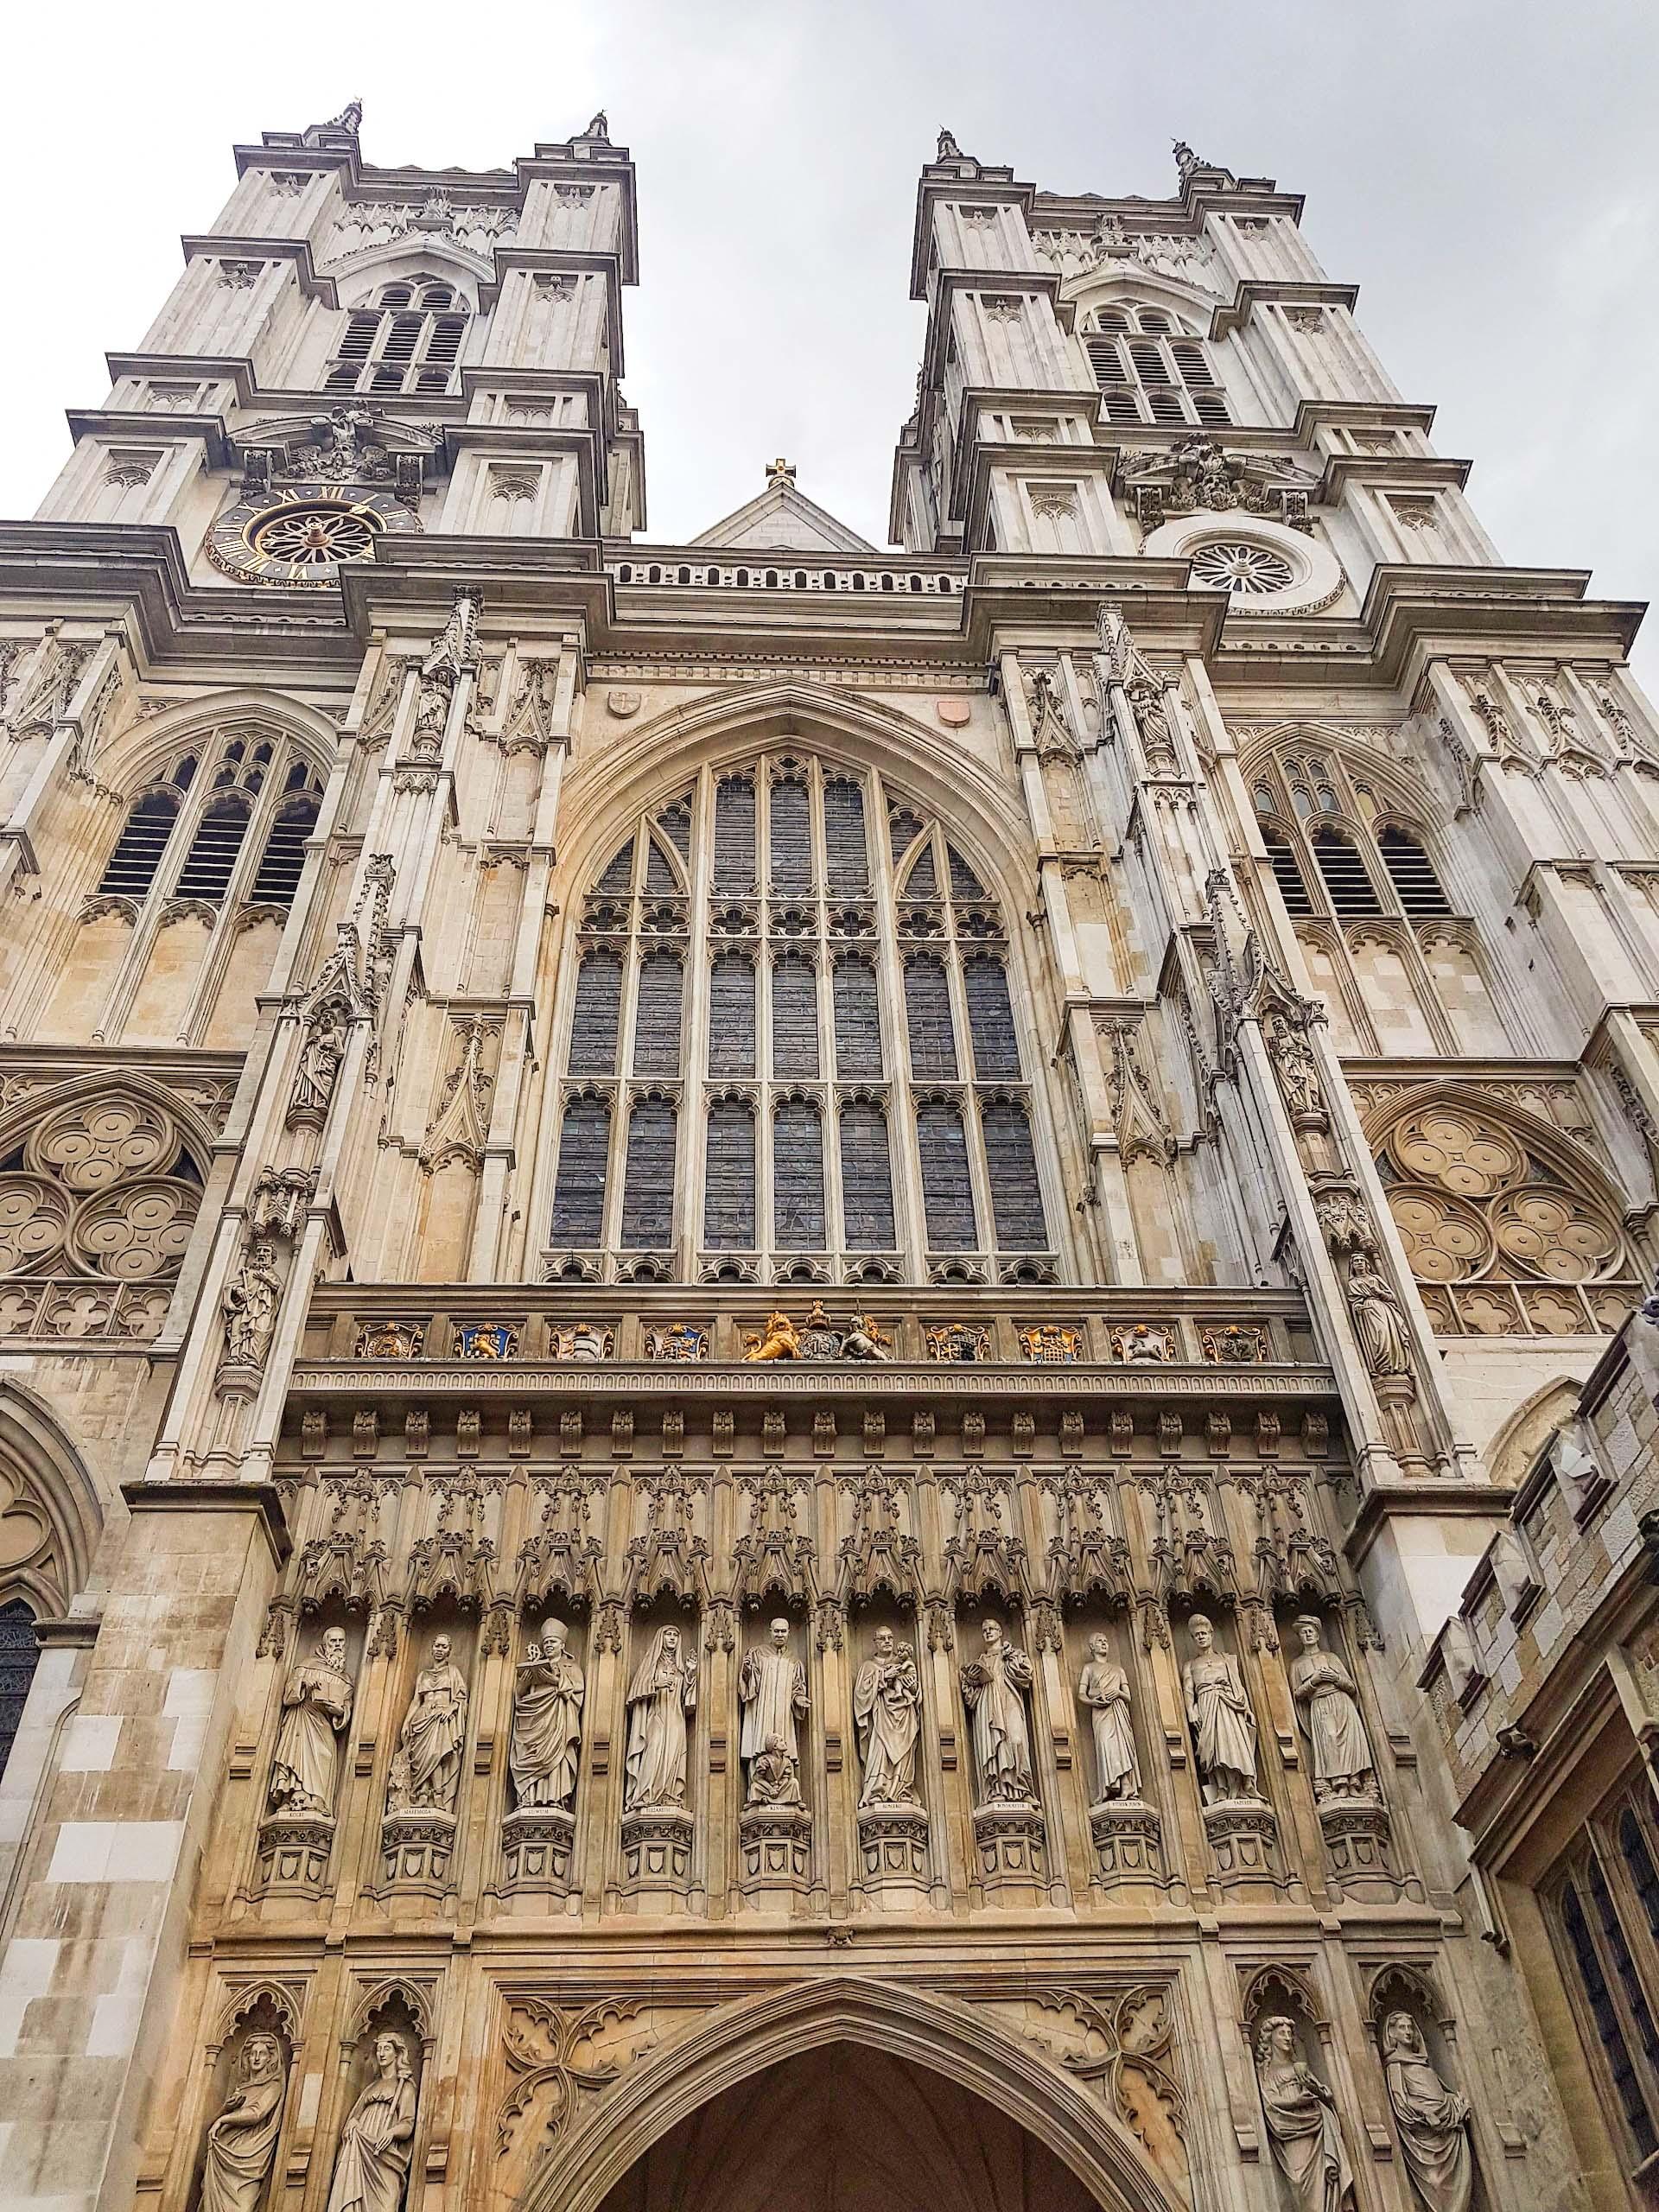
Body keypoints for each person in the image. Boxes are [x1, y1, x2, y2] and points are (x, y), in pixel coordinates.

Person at [1254, 2016, 1353, 2212]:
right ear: (1270, 2039)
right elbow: (1269, 2100)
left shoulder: (1298, 2068)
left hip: (1314, 2128)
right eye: (1282, 2033)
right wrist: (1294, 2102)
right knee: (1298, 2181)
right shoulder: (1267, 2072)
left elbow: (1323, 2092)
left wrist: (1316, 2090)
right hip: (1289, 2129)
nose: (1287, 2037)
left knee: (1320, 2181)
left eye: (1290, 2034)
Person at [1381, 2012, 1472, 2212]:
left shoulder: (1422, 2063)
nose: (1408, 2032)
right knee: (1436, 2185)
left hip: (1447, 2131)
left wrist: (1456, 2105)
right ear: (1392, 2034)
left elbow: (1443, 2094)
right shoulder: (1395, 2066)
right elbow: (1400, 2101)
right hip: (1424, 2137)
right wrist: (1426, 2115)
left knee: (1459, 2185)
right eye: (1402, 2028)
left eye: (1410, 2028)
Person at [323, 2033, 416, 2212]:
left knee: (387, 2203)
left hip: (385, 2152)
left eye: (387, 2049)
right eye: (379, 2049)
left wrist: (391, 2133)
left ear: (397, 2054)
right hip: (361, 2147)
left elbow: (407, 2124)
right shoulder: (370, 2088)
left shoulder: (404, 2086)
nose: (381, 2053)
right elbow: (354, 2117)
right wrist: (352, 2124)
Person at [1288, 1617, 1376, 1803]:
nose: (1308, 1634)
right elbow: (1297, 1694)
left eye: (1311, 1630)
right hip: (1320, 1705)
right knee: (1330, 1741)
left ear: (1318, 1634)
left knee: (1349, 1742)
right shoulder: (1298, 1664)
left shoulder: (1331, 1658)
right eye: (1303, 1632)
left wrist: (1336, 1678)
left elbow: (1351, 1687)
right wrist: (1313, 1681)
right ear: (1299, 1637)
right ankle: (1339, 1783)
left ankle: (1354, 1781)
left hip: (1341, 1703)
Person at [269, 1628, 353, 1819]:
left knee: (325, 1757)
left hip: (324, 1724)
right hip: (302, 1719)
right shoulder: (306, 1666)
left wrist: (339, 1711)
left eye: (341, 1641)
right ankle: (292, 1798)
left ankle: (317, 1800)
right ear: (325, 1643)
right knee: (298, 1755)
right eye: (334, 1641)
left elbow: (346, 1706)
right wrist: (304, 1685)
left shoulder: (346, 1679)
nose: (338, 1646)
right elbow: (288, 1696)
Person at [200, 2033, 286, 2212]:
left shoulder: (273, 2087)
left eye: (262, 2054)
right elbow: (213, 2122)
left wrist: (225, 2119)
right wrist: (225, 2109)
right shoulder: (241, 2089)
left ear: (270, 2058)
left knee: (243, 2207)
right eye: (252, 2053)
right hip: (225, 2150)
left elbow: (257, 2113)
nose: (256, 2058)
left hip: (252, 2156)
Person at [509, 1618, 584, 1812]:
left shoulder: (571, 1668)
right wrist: (524, 1683)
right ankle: (530, 1798)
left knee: (556, 1757)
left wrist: (553, 1680)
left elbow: (577, 1693)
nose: (549, 1645)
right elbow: (519, 1695)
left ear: (562, 1645)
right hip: (534, 1721)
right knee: (530, 1753)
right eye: (547, 1642)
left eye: (553, 1642)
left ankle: (554, 1798)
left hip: (557, 1723)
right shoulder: (536, 1664)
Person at [1182, 1613, 1259, 1803]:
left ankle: (1243, 1786)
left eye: (1204, 1633)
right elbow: (1188, 1689)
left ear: (1211, 1634)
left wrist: (1247, 1708)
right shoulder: (1190, 1665)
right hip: (1207, 1705)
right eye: (1197, 1635)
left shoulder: (1226, 1660)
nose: (1201, 1637)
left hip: (1229, 1705)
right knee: (1213, 1747)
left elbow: (1237, 1685)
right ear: (1192, 1639)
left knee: (1234, 1743)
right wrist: (1191, 1710)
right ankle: (1222, 1789)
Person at [960, 1619, 1036, 1808]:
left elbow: (1026, 1676)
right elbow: (971, 1697)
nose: (988, 1632)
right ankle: (997, 1790)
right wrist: (970, 1680)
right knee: (994, 1748)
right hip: (988, 1708)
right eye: (984, 1630)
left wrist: (1011, 1658)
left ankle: (1022, 1788)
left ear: (1001, 1631)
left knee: (1016, 1741)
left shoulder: (1013, 1654)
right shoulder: (981, 1661)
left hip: (1009, 1701)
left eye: (992, 1629)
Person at [387, 1637, 467, 1815]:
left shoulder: (452, 1672)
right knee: (419, 1758)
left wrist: (451, 1708)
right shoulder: (423, 1675)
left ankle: (438, 1794)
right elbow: (416, 1701)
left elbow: (461, 1696)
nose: (440, 1649)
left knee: (436, 1754)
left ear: (449, 1650)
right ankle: (422, 1794)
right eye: (437, 1646)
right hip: (421, 1717)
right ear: (432, 1648)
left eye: (444, 1647)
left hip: (440, 1718)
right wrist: (407, 1722)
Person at [624, 1624, 697, 1810]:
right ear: (661, 1638)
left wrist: (690, 1672)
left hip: (675, 1716)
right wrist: (656, 1684)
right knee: (654, 1748)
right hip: (656, 1715)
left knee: (673, 1754)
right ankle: (645, 1793)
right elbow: (636, 1691)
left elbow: (687, 1700)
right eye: (668, 1634)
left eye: (675, 1635)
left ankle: (667, 1793)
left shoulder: (680, 1668)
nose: (672, 1638)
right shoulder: (651, 1666)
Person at [853, 1626, 922, 1808]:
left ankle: (902, 1791)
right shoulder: (869, 1666)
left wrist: (911, 1685)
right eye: (882, 1638)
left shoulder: (903, 1664)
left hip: (904, 1715)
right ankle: (878, 1791)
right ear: (875, 1642)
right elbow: (861, 1695)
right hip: (881, 1717)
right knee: (880, 1752)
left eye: (890, 1638)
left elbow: (915, 1690)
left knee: (904, 1754)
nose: (887, 1641)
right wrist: (883, 1676)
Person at [739, 1618, 808, 1792]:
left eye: (783, 1632)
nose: (779, 1635)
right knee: (761, 1745)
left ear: (789, 1633)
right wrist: (747, 1672)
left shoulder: (794, 1661)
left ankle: (784, 1787)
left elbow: (797, 1688)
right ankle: (759, 1786)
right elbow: (748, 1686)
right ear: (770, 1631)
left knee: (784, 1745)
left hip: (784, 1712)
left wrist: (798, 1699)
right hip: (763, 1710)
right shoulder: (758, 1654)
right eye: (776, 1631)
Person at [1077, 1632, 1140, 1802]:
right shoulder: (1089, 1668)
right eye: (1100, 1641)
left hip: (1118, 1710)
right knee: (1106, 1745)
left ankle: (1126, 1786)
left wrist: (1117, 1692)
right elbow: (1081, 1694)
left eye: (1106, 1641)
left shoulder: (1118, 1669)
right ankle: (1106, 1787)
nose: (1104, 1644)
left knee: (1121, 1747)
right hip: (1101, 1712)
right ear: (1092, 1647)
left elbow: (1129, 1697)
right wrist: (1094, 1701)